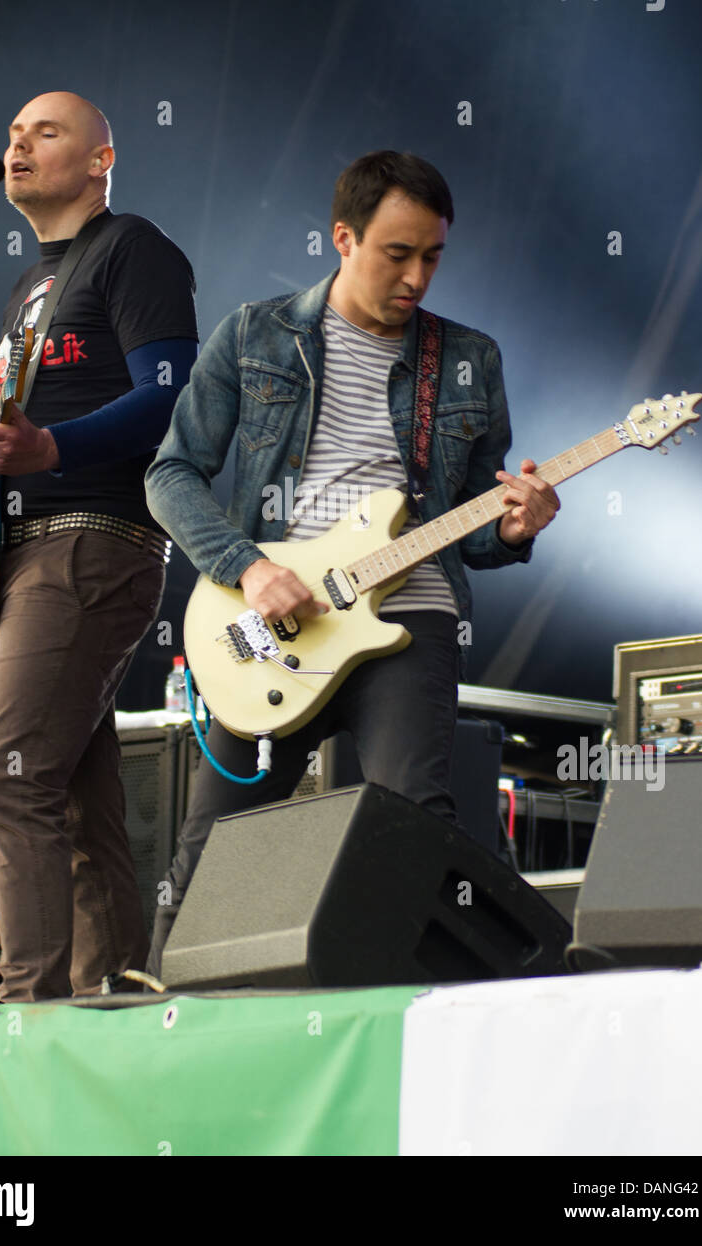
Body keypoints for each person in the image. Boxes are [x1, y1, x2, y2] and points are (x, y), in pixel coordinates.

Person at [143, 149, 559, 975]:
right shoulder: (256, 333)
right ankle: (155, 1010)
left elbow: (472, 525)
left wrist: (515, 527)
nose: (417, 278)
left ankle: (407, 1015)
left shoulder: (469, 359)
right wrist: (246, 568)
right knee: (217, 836)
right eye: (396, 254)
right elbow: (169, 472)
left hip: (411, 614)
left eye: (432, 257)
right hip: (276, 615)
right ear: (343, 236)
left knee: (413, 818)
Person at [0, 91, 198, 1001]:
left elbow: (169, 393)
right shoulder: (29, 287)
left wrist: (54, 451)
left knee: (5, 777)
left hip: (90, 542)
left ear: (102, 159)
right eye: (11, 134)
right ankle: (108, 992)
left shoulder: (133, 248)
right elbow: (13, 432)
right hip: (26, 549)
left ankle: (27, 1013)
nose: (17, 144)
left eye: (45, 132)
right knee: (71, 794)